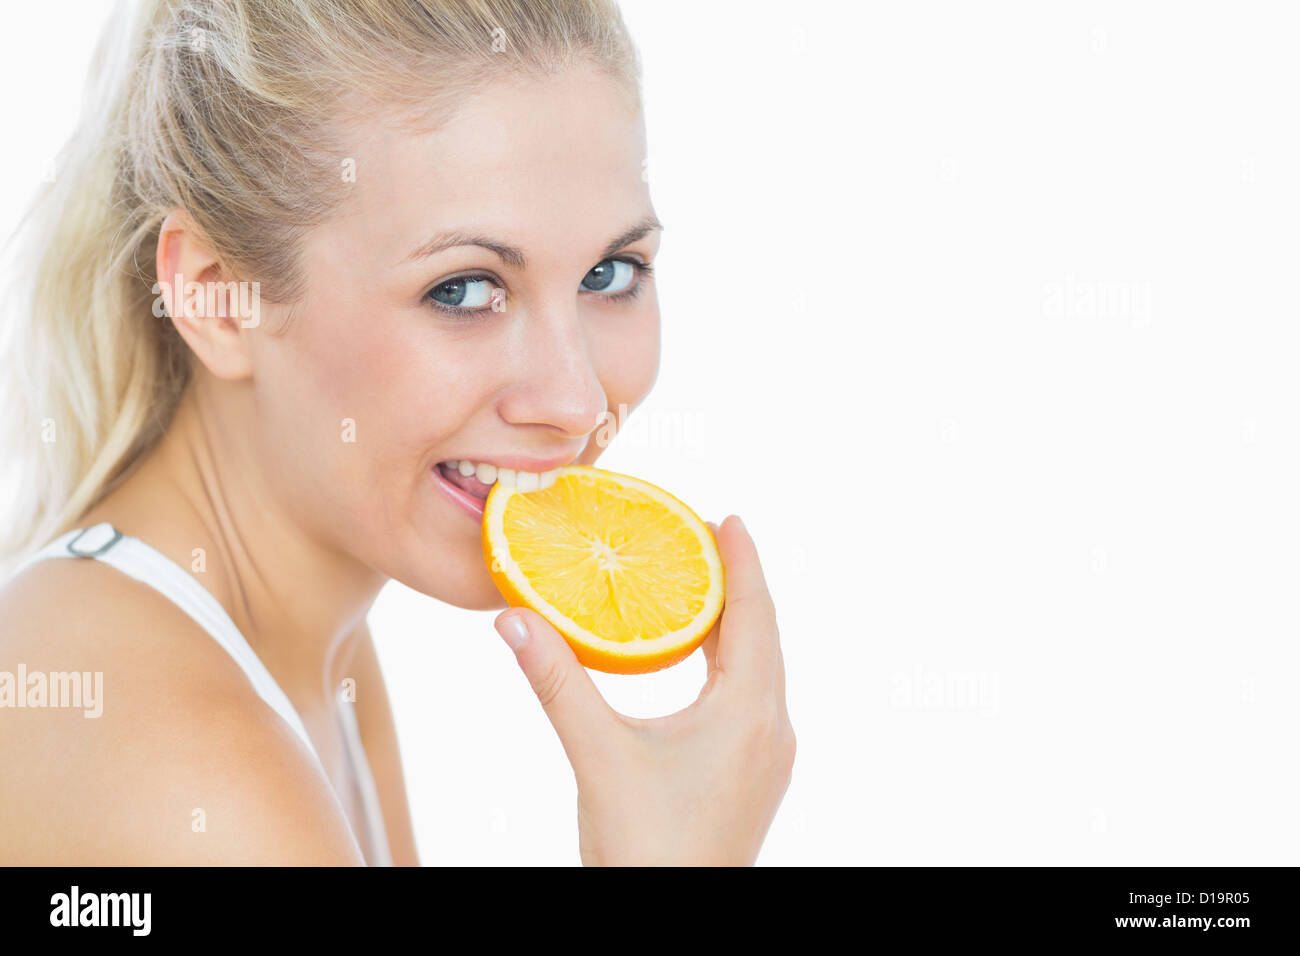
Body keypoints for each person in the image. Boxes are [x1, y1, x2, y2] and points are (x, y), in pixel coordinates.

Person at [0, 0, 794, 865]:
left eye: (611, 272)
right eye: (462, 289)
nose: (574, 400)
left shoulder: (312, 647)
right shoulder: (172, 757)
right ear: (218, 296)